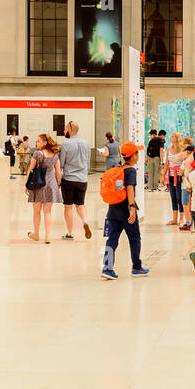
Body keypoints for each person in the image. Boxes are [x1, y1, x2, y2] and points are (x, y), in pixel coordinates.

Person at [101, 142, 150, 280]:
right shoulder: (130, 171)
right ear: (134, 155)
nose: (138, 155)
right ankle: (137, 267)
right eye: (137, 153)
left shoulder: (118, 169)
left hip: (113, 211)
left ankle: (107, 268)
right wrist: (132, 209)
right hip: (126, 212)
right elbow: (129, 189)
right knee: (134, 238)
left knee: (112, 239)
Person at [58, 120, 93, 241]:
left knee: (68, 207)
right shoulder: (86, 143)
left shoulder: (66, 144)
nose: (64, 131)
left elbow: (61, 164)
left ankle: (69, 233)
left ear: (70, 130)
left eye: (65, 129)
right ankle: (85, 221)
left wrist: (58, 179)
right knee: (80, 205)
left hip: (69, 179)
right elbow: (88, 164)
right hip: (82, 179)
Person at [26, 133, 62, 243]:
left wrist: (27, 184)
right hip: (51, 184)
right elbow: (58, 172)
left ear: (45, 142)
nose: (36, 143)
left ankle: (36, 234)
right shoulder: (55, 155)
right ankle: (48, 237)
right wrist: (58, 184)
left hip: (38, 184)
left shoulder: (37, 154)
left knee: (36, 211)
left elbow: (30, 170)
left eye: (38, 141)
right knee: (48, 212)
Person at [164, 131, 188, 228]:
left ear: (177, 138)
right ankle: (174, 219)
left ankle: (181, 218)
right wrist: (163, 175)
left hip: (179, 176)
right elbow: (166, 163)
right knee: (173, 198)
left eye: (173, 136)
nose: (171, 137)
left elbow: (186, 162)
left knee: (179, 198)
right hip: (170, 175)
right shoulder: (169, 149)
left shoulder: (183, 149)